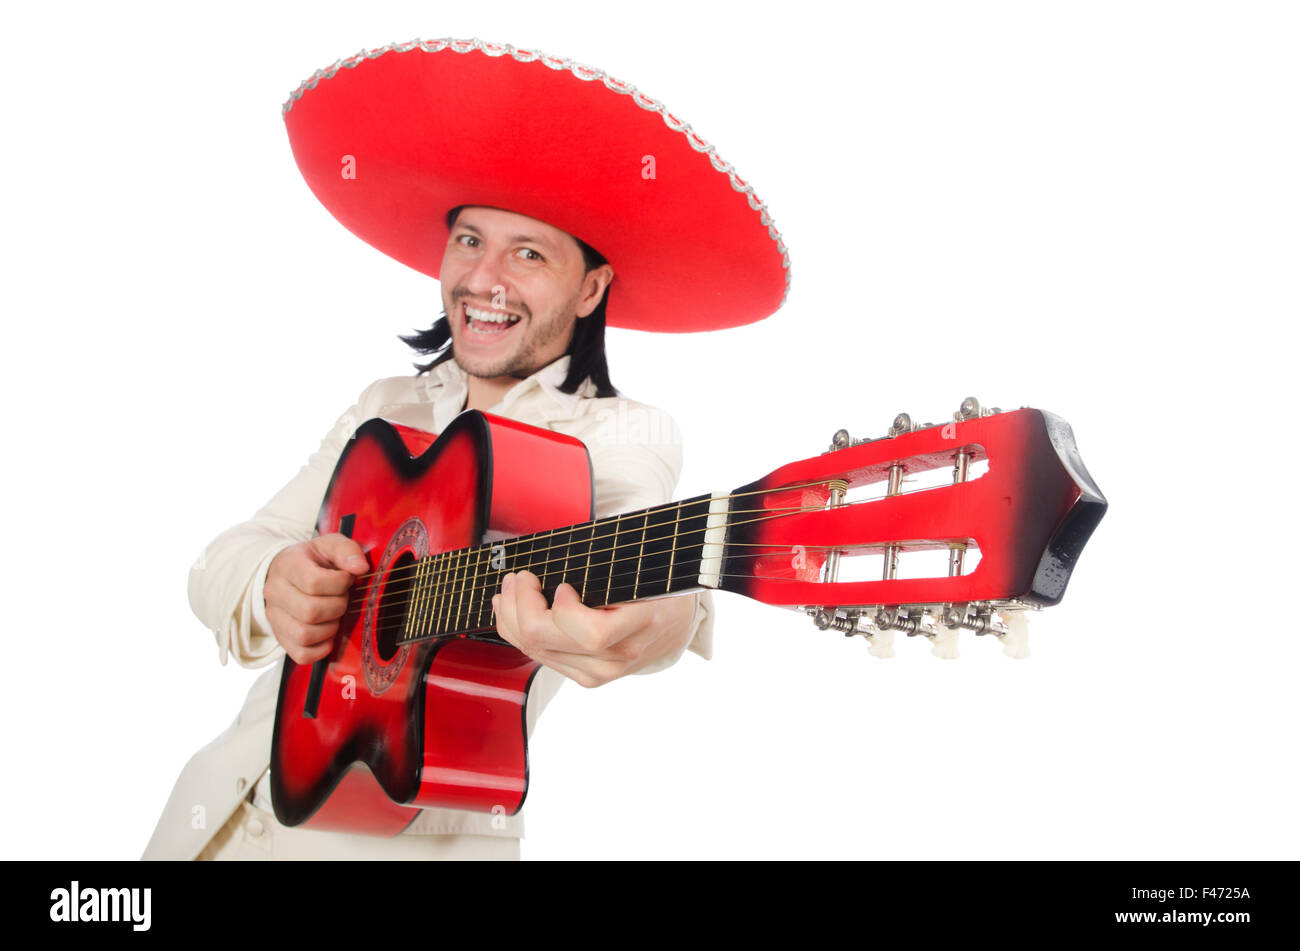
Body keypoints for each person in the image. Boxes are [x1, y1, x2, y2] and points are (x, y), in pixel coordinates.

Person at [142, 37, 789, 861]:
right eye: (469, 240)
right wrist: (274, 581)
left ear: (591, 287)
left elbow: (648, 554)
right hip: (210, 824)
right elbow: (219, 561)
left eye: (529, 253)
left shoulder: (622, 435)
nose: (485, 279)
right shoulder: (386, 407)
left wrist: (662, 620)